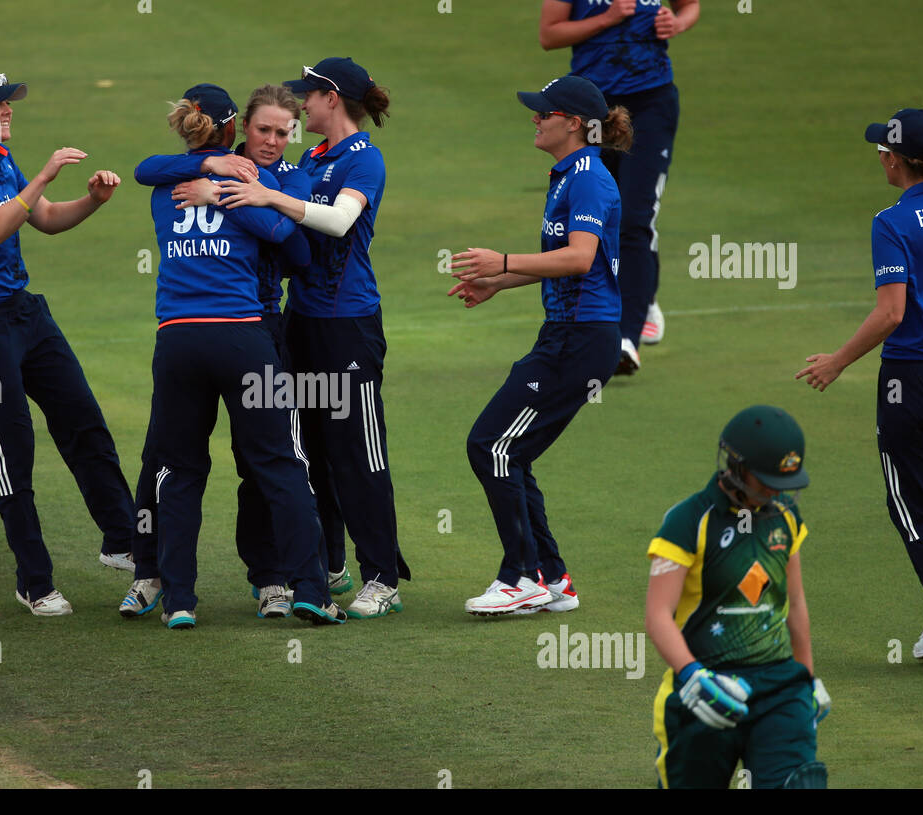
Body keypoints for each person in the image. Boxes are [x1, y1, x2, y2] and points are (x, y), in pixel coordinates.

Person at [0, 70, 137, 616]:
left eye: (9, 104)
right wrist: (42, 175)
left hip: (24, 315)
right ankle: (34, 581)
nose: (7, 113)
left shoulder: (2, 163)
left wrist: (91, 201)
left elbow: (41, 219)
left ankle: (122, 541)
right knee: (11, 455)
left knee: (83, 420)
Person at [124, 84, 342, 620]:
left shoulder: (169, 181)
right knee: (278, 463)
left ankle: (178, 598)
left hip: (176, 337)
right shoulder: (252, 177)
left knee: (177, 468)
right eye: (262, 130)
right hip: (245, 335)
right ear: (237, 129)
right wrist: (237, 192)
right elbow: (297, 250)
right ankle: (310, 590)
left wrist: (211, 186)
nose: (271, 140)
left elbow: (144, 169)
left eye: (280, 132)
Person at [208, 57, 410, 621]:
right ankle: (331, 564)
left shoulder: (364, 159)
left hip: (349, 325)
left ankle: (382, 578)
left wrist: (270, 200)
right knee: (312, 451)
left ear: (332, 99)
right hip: (302, 322)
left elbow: (341, 221)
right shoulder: (314, 159)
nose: (300, 111)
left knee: (359, 453)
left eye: (309, 97)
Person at [448, 75, 627, 616]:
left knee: (490, 445)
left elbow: (579, 259)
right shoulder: (569, 175)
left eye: (543, 112)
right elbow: (563, 263)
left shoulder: (589, 179)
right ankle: (551, 578)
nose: (535, 118)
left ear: (572, 123)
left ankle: (520, 577)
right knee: (510, 451)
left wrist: (502, 261)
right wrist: (498, 283)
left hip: (580, 340)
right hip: (569, 336)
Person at [797, 107, 923, 676]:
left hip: (914, 381)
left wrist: (837, 361)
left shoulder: (893, 221)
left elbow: (891, 313)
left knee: (916, 511)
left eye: (882, 150)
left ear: (894, 160)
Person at [645, 406, 830, 788]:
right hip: (706, 688)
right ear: (736, 465)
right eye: (766, 482)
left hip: (780, 687)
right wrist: (692, 675)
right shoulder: (688, 520)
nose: (775, 492)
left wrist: (807, 677)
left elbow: (794, 603)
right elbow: (658, 615)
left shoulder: (787, 517)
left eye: (782, 483)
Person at [538, 0, 701, 374]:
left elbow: (690, 7)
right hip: (592, 106)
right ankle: (617, 306)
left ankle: (627, 338)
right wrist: (606, 19)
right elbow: (550, 35)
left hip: (651, 102)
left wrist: (677, 23)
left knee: (635, 216)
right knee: (593, 214)